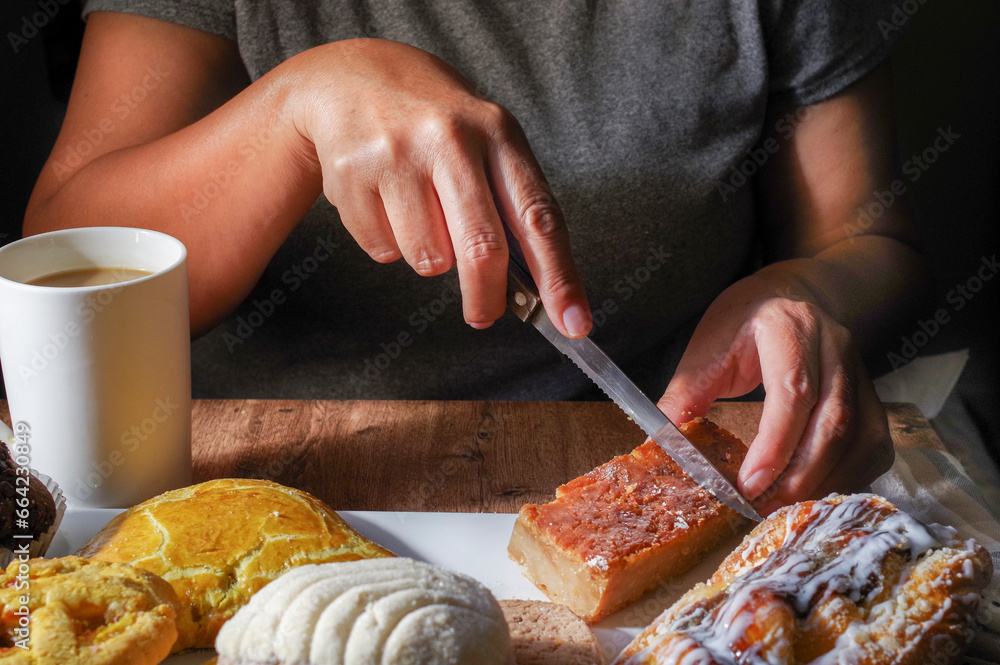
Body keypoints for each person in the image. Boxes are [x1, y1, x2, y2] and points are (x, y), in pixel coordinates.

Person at [24, 0, 931, 515]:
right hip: (239, 480)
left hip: (650, 475)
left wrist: (807, 291)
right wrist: (294, 110)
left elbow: (868, 240)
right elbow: (60, 240)